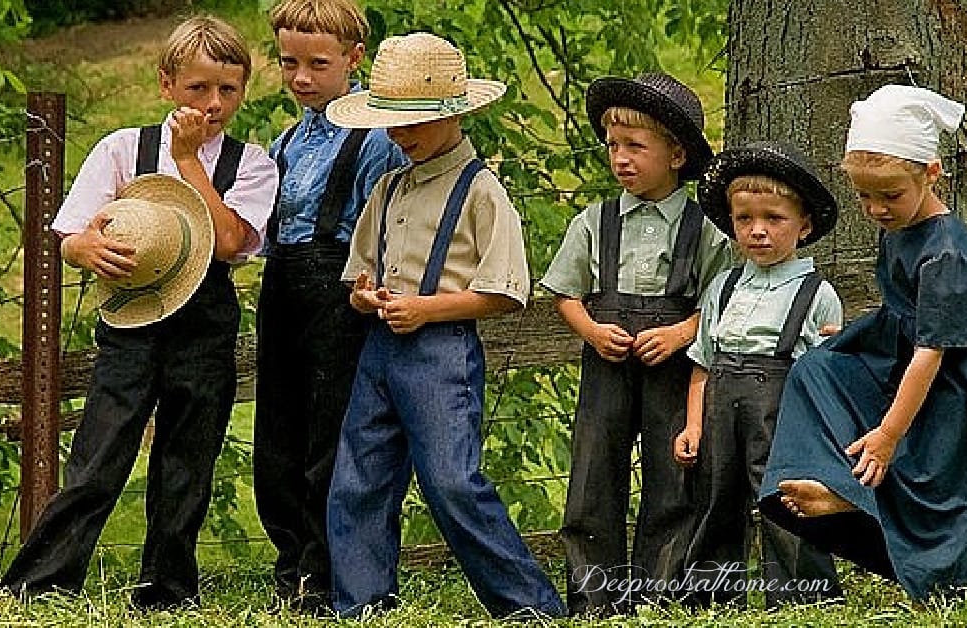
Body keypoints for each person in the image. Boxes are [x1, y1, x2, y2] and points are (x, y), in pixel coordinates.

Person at [0, 16, 278, 609]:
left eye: (228, 90)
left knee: (187, 463)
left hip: (204, 323)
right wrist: (85, 248)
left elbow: (230, 242)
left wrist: (190, 162)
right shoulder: (124, 148)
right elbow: (71, 234)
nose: (212, 103)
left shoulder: (250, 163)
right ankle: (40, 583)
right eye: (198, 87)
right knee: (99, 457)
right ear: (166, 84)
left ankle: (167, 591)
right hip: (129, 321)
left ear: (244, 90)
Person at [321, 32, 565, 619]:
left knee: (453, 483)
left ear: (453, 114)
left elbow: (507, 292)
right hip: (379, 352)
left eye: (414, 123)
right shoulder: (387, 187)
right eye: (392, 124)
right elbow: (359, 274)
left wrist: (426, 309)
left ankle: (528, 604)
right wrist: (365, 298)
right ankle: (360, 603)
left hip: (441, 356)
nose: (400, 136)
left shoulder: (480, 190)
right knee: (357, 479)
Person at [758, 84, 967, 601]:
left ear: (931, 173)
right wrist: (849, 337)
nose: (875, 208)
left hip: (958, 390)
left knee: (942, 502)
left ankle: (855, 497)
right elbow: (901, 311)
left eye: (890, 194)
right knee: (817, 369)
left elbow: (932, 350)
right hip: (912, 363)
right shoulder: (897, 227)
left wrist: (887, 434)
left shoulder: (947, 252)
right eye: (864, 195)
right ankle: (838, 485)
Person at [540, 72, 735, 616]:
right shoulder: (593, 222)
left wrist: (679, 333)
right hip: (607, 359)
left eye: (635, 146)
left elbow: (719, 304)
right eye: (612, 146)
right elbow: (563, 293)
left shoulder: (708, 230)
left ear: (675, 154)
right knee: (592, 473)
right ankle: (593, 594)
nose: (620, 158)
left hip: (673, 365)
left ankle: (661, 591)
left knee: (673, 476)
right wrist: (592, 331)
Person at [253, 0, 405, 610]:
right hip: (283, 287)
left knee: (330, 432)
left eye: (318, 63)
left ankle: (325, 569)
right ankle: (290, 561)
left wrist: (370, 288)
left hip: (342, 291)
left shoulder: (374, 138)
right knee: (277, 432)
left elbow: (385, 226)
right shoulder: (284, 140)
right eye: (289, 63)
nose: (301, 78)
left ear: (353, 59)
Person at [671, 142, 843, 608]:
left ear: (803, 226)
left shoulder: (816, 293)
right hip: (721, 409)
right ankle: (709, 596)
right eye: (744, 219)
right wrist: (693, 424)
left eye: (774, 218)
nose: (758, 231)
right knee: (715, 499)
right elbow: (704, 362)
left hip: (784, 415)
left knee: (785, 502)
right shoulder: (722, 286)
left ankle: (802, 596)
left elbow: (826, 381)